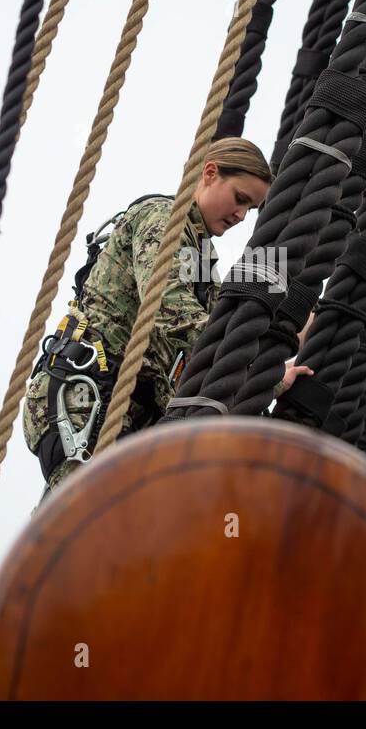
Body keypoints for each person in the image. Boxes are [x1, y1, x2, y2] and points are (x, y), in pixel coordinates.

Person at [22, 136, 310, 503]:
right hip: (83, 402)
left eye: (250, 209)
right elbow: (172, 315)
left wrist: (277, 366)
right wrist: (253, 366)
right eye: (240, 199)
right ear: (210, 173)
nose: (240, 216)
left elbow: (228, 325)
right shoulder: (163, 219)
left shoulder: (201, 254)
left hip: (120, 410)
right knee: (93, 526)